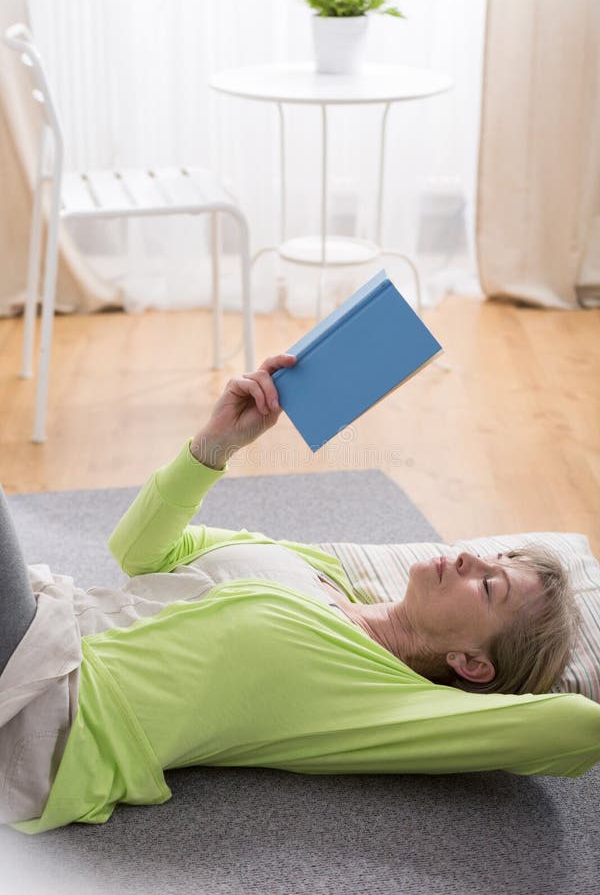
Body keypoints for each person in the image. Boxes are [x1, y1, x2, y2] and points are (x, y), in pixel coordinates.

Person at [1, 354, 599, 835]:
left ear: (471, 662)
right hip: (41, 617)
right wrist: (216, 445)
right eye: (491, 558)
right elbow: (140, 553)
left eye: (489, 584)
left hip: (50, 711)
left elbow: (575, 727)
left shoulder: (382, 700)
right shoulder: (316, 570)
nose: (470, 556)